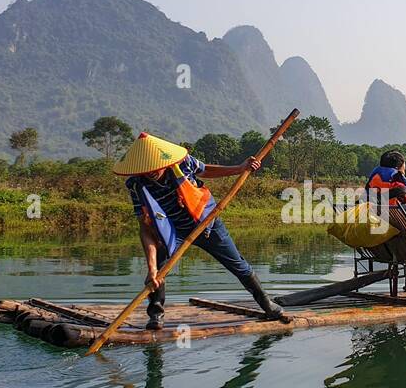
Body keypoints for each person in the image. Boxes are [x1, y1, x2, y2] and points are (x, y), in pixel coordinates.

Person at [116, 132, 285, 329]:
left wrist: (239, 168)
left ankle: (267, 304)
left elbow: (205, 171)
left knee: (238, 264)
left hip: (206, 225)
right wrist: (152, 268)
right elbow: (146, 227)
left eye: (155, 166)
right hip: (172, 231)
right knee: (157, 272)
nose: (151, 172)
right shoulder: (136, 184)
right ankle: (155, 314)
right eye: (146, 169)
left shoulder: (183, 163)